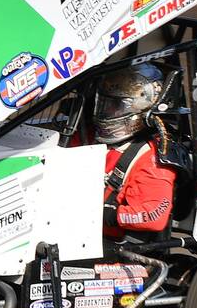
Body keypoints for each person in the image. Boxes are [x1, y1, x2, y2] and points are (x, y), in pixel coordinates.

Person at [70, 63, 181, 240]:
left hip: (110, 245)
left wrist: (109, 215)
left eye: (116, 105)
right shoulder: (86, 135)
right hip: (68, 228)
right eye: (104, 104)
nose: (108, 111)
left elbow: (154, 216)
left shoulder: (150, 157)